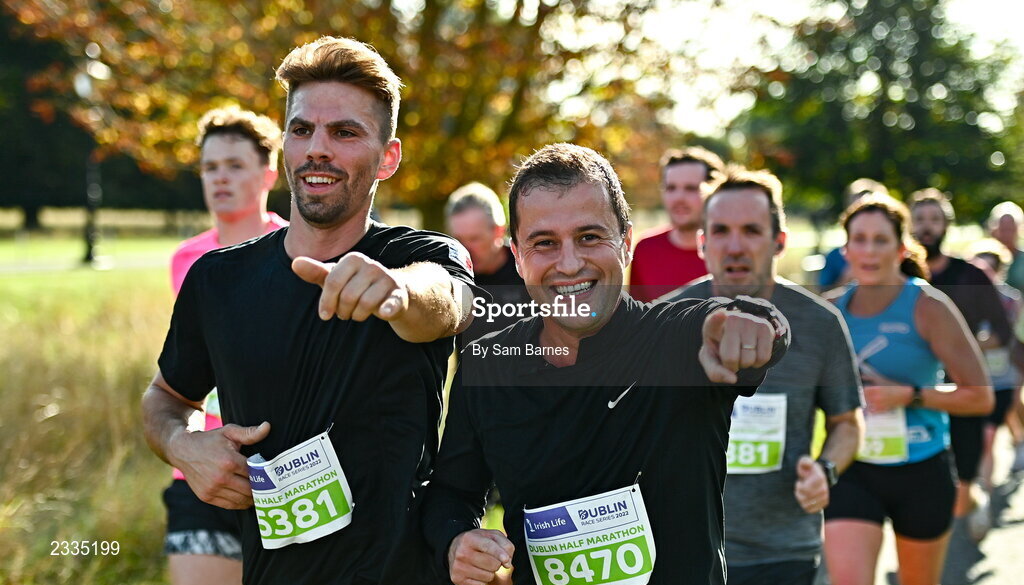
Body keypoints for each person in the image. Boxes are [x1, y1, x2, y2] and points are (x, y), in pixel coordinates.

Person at [141, 36, 482, 585]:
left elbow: (450, 301)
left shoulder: (420, 257)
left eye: (345, 132)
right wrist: (184, 446)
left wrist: (397, 293)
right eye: (302, 130)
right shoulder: (218, 279)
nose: (317, 149)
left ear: (387, 158)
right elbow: (164, 398)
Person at [421, 143, 791, 585]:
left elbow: (744, 321)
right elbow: (451, 492)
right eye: (544, 244)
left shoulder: (676, 342)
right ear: (517, 256)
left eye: (589, 237)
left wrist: (753, 327)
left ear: (626, 242)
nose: (570, 262)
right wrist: (456, 541)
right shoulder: (489, 365)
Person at [665, 166, 863, 584]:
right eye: (720, 231)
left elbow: (848, 422)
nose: (735, 246)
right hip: (683, 546)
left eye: (751, 230)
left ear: (779, 242)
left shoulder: (820, 322)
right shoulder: (665, 320)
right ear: (702, 243)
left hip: (783, 547)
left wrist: (825, 470)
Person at [824, 194, 992, 585]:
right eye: (859, 239)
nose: (868, 250)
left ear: (901, 248)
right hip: (852, 467)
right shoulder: (831, 310)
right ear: (846, 249)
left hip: (921, 470)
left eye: (880, 239)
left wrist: (910, 395)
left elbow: (979, 395)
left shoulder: (929, 306)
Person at [162, 106, 288, 585]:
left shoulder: (296, 247)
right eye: (210, 167)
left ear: (268, 174)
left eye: (234, 165)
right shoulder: (185, 258)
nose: (220, 178)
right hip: (204, 464)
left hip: (283, 461)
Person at [909, 189, 1009, 542]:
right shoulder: (901, 279)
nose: (927, 228)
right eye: (920, 219)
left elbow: (1003, 329)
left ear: (946, 226)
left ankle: (970, 499)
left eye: (935, 220)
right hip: (914, 389)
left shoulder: (971, 276)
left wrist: (966, 346)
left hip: (964, 387)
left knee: (964, 468)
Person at [628, 146, 723, 302]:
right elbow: (639, 321)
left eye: (691, 188)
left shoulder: (733, 250)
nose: (679, 198)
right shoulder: (646, 249)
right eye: (671, 188)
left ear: (715, 193)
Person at [966, 243, 1022, 498]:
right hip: (973, 379)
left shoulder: (1011, 300)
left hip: (1003, 377)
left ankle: (984, 494)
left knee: (988, 436)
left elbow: (1007, 336)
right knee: (977, 438)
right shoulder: (962, 297)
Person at [444, 182, 530, 347]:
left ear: (498, 231)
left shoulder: (530, 271)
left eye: (474, 239)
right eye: (458, 240)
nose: (464, 249)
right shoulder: (450, 279)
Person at [818, 178, 889, 291]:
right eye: (857, 211)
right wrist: (846, 278)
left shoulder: (896, 255)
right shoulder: (834, 257)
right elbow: (822, 299)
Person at [988, 201, 1024, 293]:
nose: (1007, 234)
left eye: (1010, 229)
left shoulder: (1021, 259)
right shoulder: (988, 257)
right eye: (1003, 229)